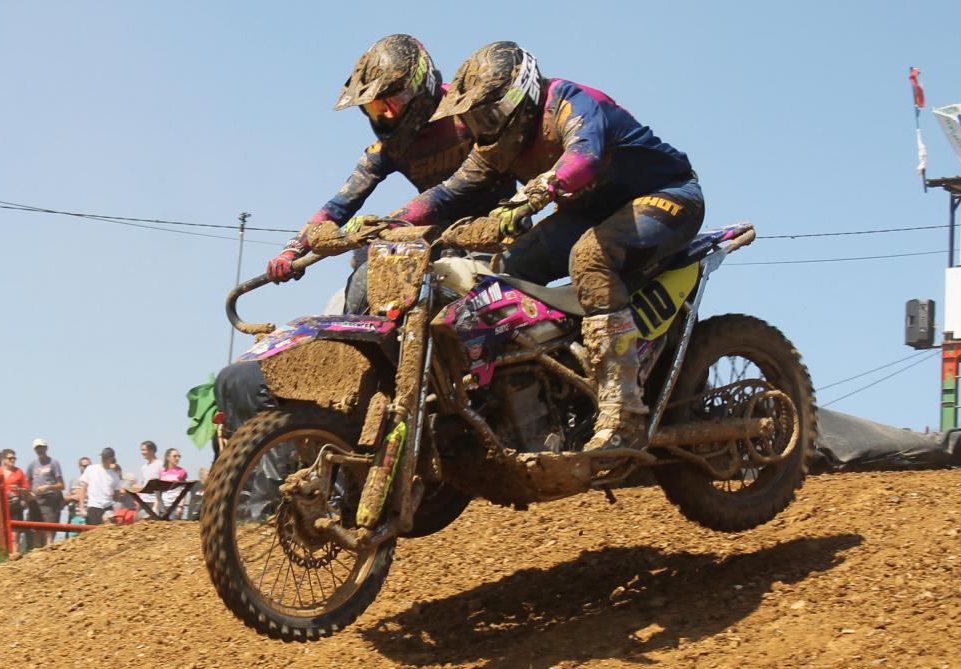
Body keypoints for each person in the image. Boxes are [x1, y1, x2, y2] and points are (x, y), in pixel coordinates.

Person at [383, 41, 705, 450]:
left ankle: (623, 411)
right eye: (474, 118)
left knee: (589, 258)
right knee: (505, 271)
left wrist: (537, 191)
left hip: (666, 195)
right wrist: (391, 222)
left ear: (525, 94)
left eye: (490, 113)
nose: (483, 126)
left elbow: (584, 158)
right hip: (590, 211)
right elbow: (449, 192)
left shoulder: (570, 103)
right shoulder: (494, 144)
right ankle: (548, 386)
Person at [265, 33, 514, 314]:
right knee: (346, 301)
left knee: (472, 308)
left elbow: (514, 159)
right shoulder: (387, 149)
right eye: (373, 108)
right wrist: (293, 249)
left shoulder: (467, 112)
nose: (382, 116)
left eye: (388, 104)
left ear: (418, 88)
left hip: (494, 239)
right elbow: (341, 203)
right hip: (431, 239)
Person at [0, 448, 30, 551]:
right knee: (1, 534)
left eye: (14, 458)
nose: (13, 460)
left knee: (15, 535)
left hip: (15, 505)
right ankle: (3, 558)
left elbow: (26, 489)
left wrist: (19, 490)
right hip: (1, 506)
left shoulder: (19, 472)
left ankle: (16, 557)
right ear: (4, 459)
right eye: (10, 458)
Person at [24, 438, 65, 547]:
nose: (39, 450)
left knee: (49, 528)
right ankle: (37, 553)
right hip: (36, 500)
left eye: (41, 447)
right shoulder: (32, 465)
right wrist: (29, 494)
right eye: (37, 448)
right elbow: (27, 483)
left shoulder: (53, 463)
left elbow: (61, 485)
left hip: (49, 498)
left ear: (46, 448)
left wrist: (48, 487)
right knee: (36, 528)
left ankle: (49, 549)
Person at [78, 447, 120, 526]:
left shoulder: (114, 476)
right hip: (94, 506)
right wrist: (81, 508)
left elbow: (117, 496)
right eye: (103, 457)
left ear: (111, 458)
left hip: (107, 507)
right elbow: (83, 489)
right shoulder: (91, 469)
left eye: (106, 457)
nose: (103, 459)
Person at [131, 441, 162, 518]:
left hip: (154, 502)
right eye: (141, 450)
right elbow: (144, 486)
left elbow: (161, 486)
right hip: (144, 502)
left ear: (151, 451)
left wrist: (156, 505)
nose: (142, 452)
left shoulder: (160, 465)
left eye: (144, 450)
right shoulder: (144, 468)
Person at [158, 448, 188, 518]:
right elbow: (159, 491)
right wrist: (156, 506)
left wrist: (180, 506)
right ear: (168, 458)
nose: (177, 458)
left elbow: (184, 490)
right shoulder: (162, 473)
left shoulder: (182, 471)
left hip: (175, 506)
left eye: (179, 456)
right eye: (174, 456)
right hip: (163, 506)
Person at [65, 456, 91, 525]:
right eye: (85, 466)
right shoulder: (73, 481)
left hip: (89, 517)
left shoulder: (94, 482)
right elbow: (65, 499)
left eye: (89, 466)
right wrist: (73, 497)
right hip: (74, 518)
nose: (87, 468)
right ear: (79, 466)